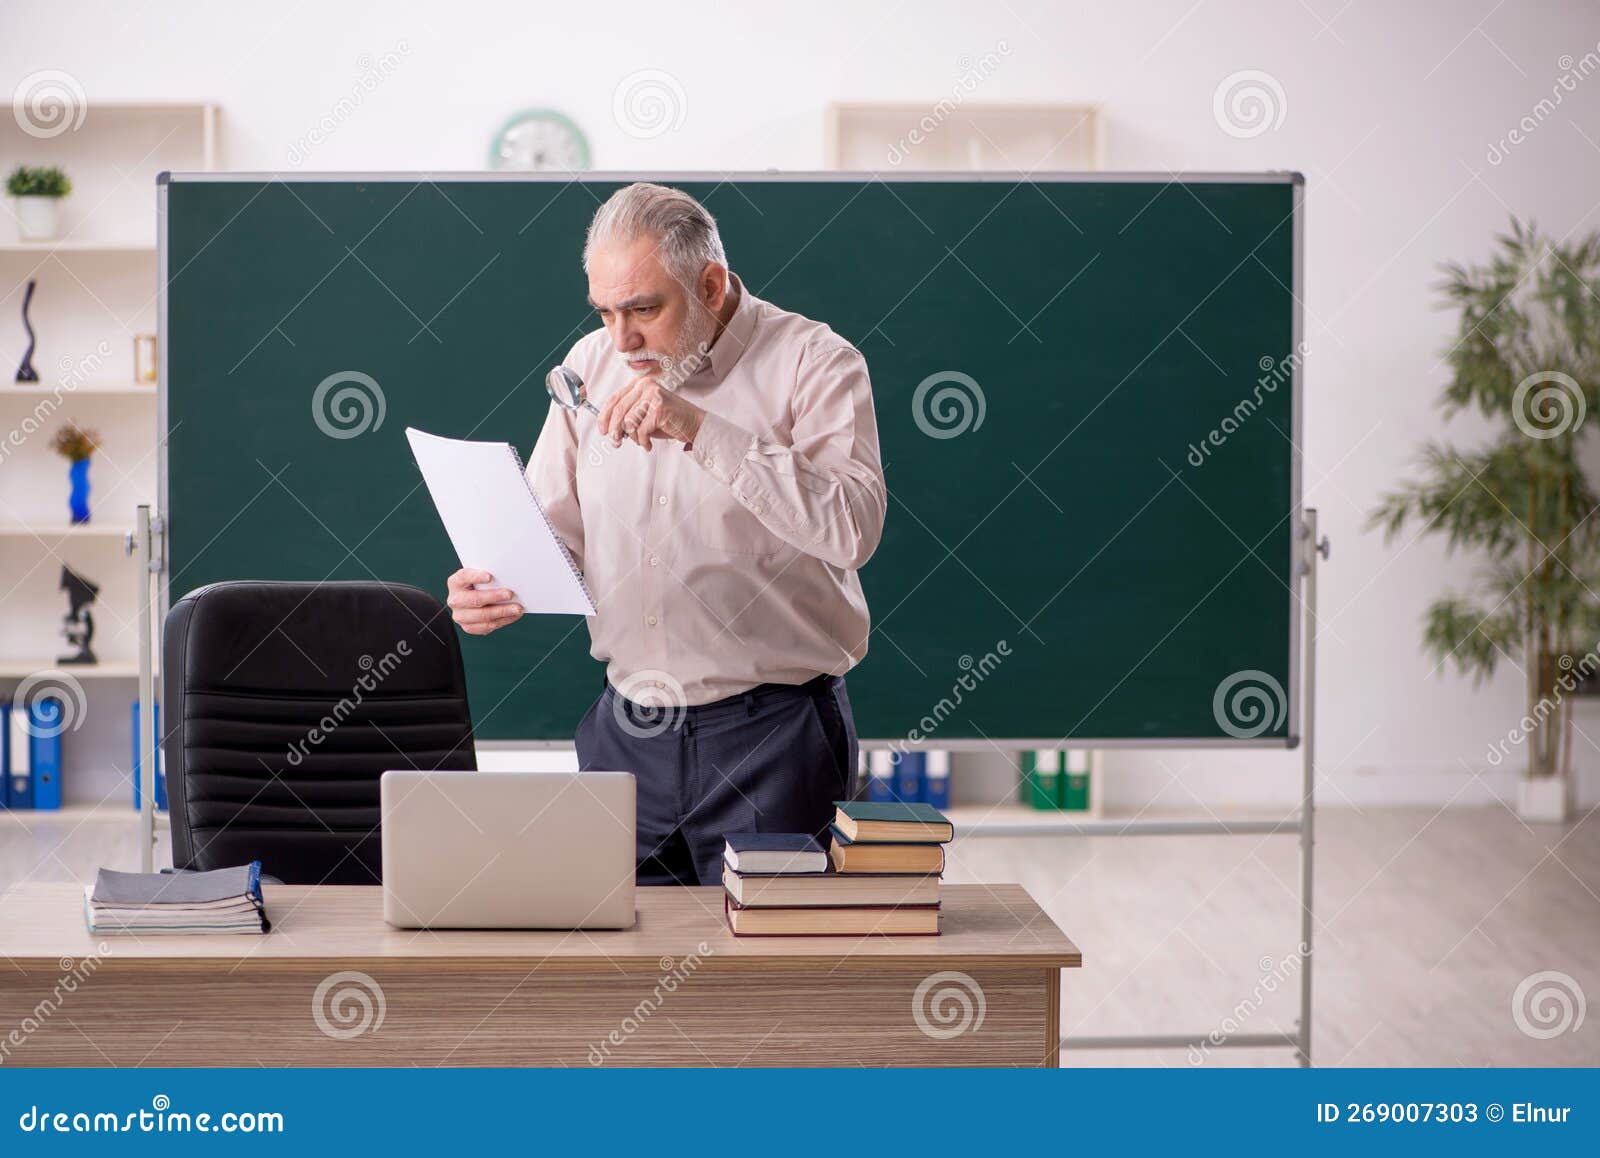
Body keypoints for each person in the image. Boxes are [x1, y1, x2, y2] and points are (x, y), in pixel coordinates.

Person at [445, 182, 887, 886]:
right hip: (626, 734)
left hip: (773, 738)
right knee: (621, 972)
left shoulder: (815, 362)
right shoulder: (591, 364)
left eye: (645, 309)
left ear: (710, 284)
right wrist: (498, 583)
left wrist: (700, 428)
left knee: (767, 980)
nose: (622, 340)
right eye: (605, 311)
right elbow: (551, 530)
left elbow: (852, 528)